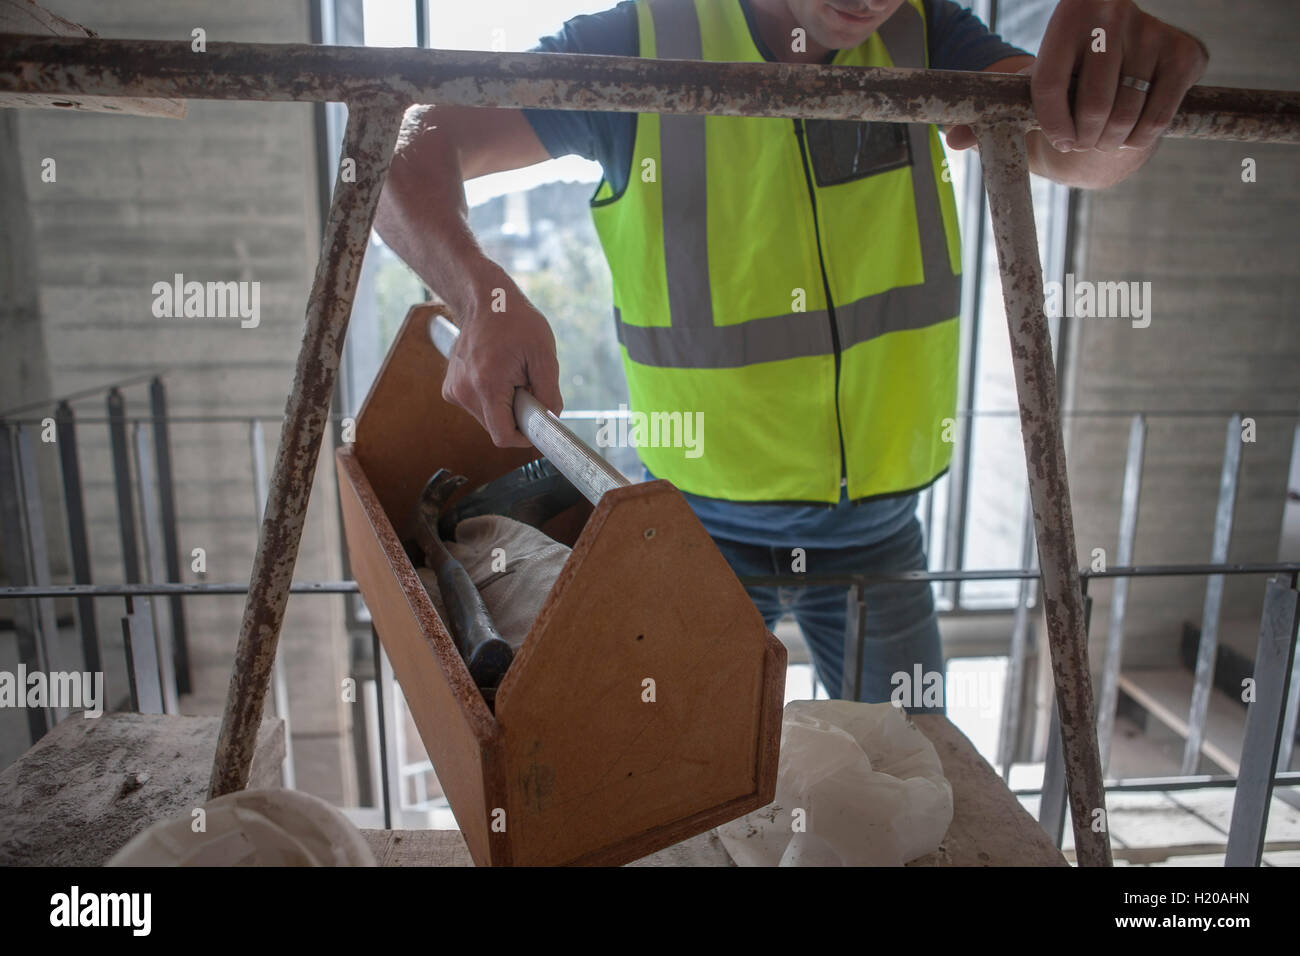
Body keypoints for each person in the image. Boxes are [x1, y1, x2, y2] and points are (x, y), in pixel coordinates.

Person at [374, 0, 1208, 708]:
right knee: (676, 784)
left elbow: (1068, 149)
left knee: (920, 780)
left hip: (884, 532)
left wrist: (1123, 105)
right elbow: (404, 139)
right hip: (701, 529)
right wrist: (478, 291)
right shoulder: (641, 43)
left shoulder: (926, 33)